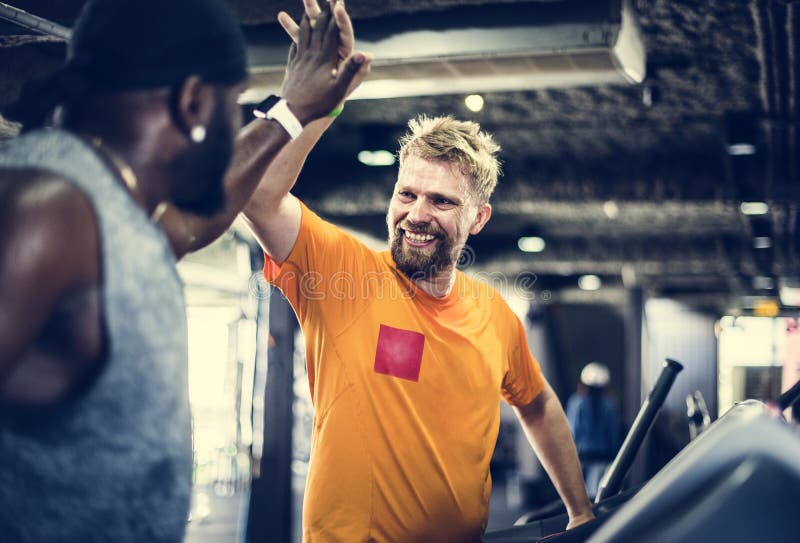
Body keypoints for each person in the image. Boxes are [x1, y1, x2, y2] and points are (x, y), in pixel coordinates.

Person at [0, 0, 370, 541]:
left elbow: (198, 220)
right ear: (193, 100)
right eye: (235, 102)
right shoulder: (42, 210)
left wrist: (292, 110)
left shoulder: (110, 209)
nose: (237, 117)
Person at [240, 3, 594, 540]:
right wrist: (312, 107)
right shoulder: (341, 275)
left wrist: (580, 512)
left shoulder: (494, 316)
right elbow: (259, 196)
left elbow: (539, 402)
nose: (417, 214)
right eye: (406, 193)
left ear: (479, 218)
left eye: (442, 201)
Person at [566, 362, 622, 499]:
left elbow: (571, 431)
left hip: (580, 457)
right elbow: (613, 434)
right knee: (597, 497)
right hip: (601, 458)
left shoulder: (576, 403)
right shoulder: (610, 405)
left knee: (578, 498)